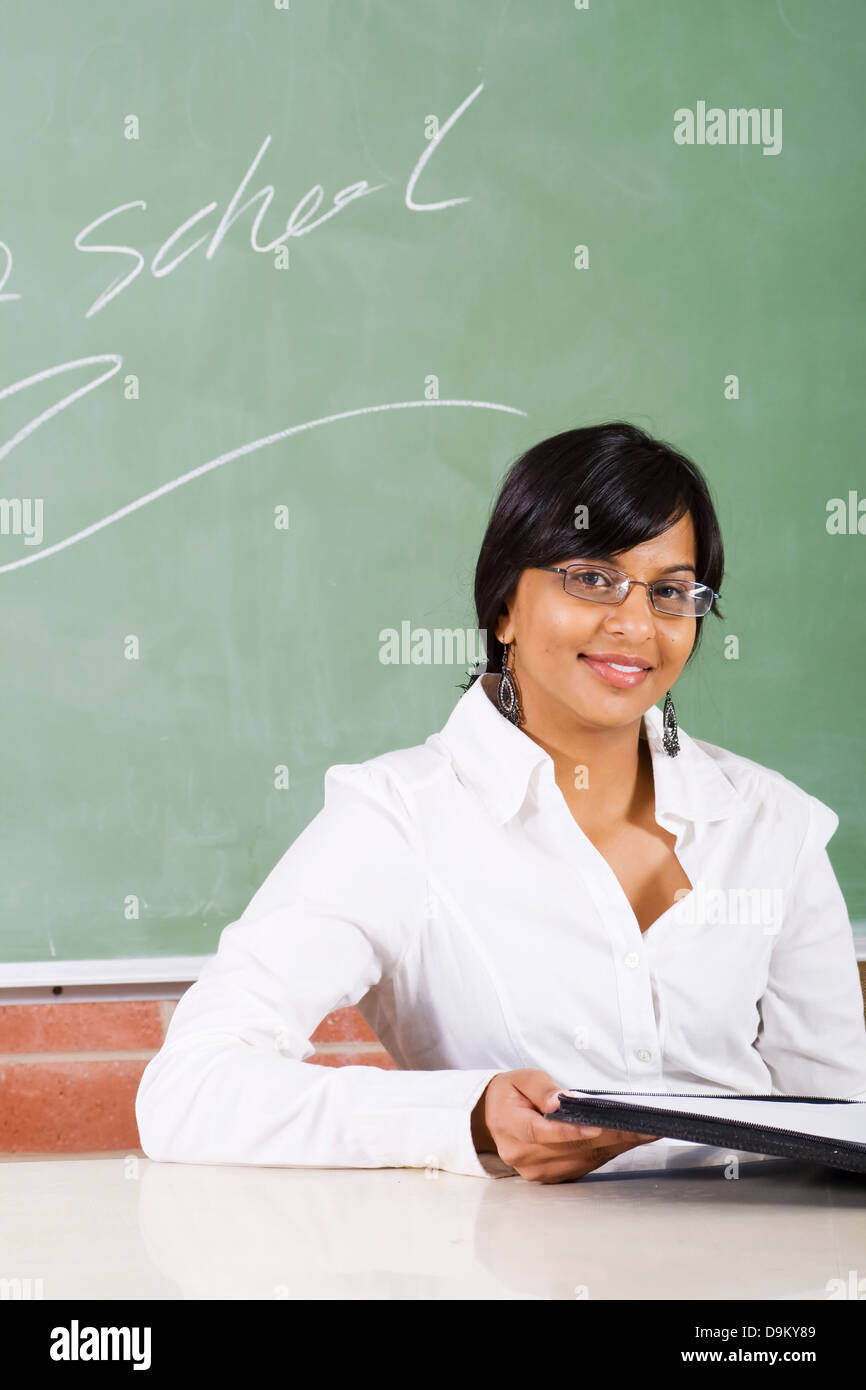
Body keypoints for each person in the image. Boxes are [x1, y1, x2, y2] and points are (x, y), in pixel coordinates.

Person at [135, 421, 866, 1184]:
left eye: (671, 592)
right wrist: (468, 1118)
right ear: (505, 608)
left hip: (758, 1279)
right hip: (514, 1272)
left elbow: (842, 1109)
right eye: (590, 578)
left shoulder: (771, 822)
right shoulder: (399, 820)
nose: (635, 623)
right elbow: (188, 1088)